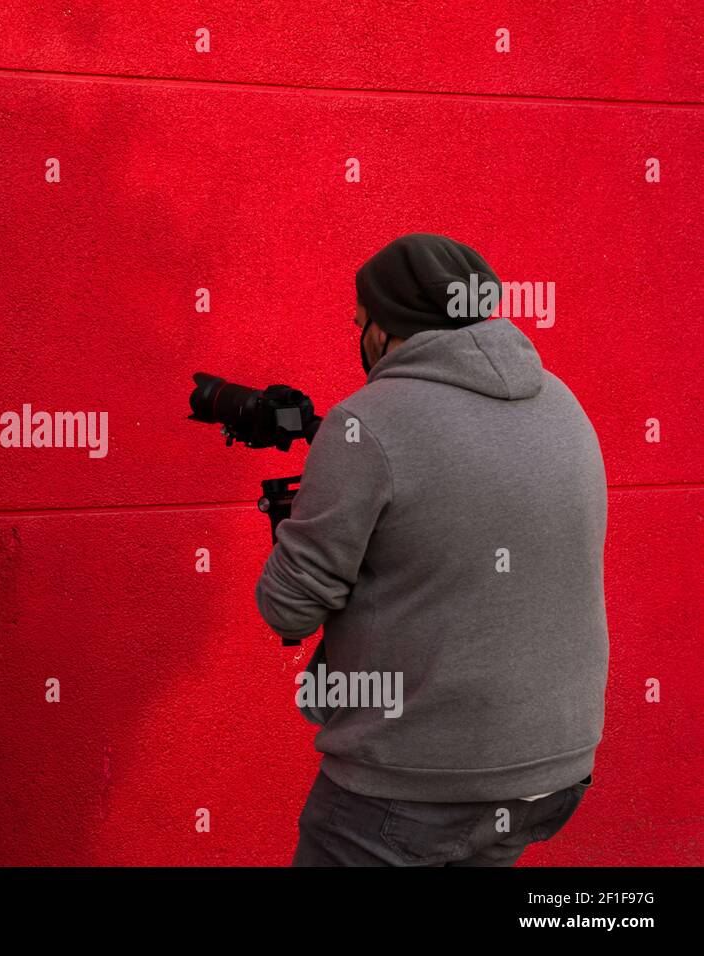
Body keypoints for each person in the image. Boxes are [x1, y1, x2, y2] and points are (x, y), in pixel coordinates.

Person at [255, 233, 607, 866]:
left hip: (416, 782)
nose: (359, 338)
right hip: (549, 772)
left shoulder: (368, 421)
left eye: (361, 323)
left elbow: (289, 609)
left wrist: (300, 521)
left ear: (388, 330)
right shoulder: (565, 402)